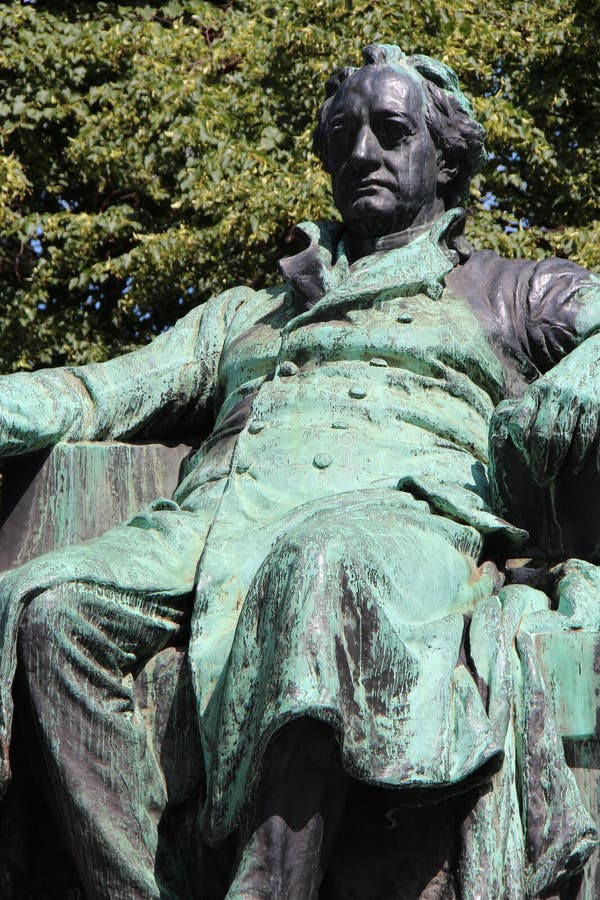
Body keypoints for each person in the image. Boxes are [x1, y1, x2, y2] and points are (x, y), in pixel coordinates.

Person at [0, 42, 599, 899]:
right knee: (49, 611)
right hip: (210, 527)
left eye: (392, 132)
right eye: (346, 133)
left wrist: (585, 369)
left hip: (393, 526)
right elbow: (94, 394)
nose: (364, 152)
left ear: (447, 159)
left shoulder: (502, 291)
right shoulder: (250, 312)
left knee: (317, 566)